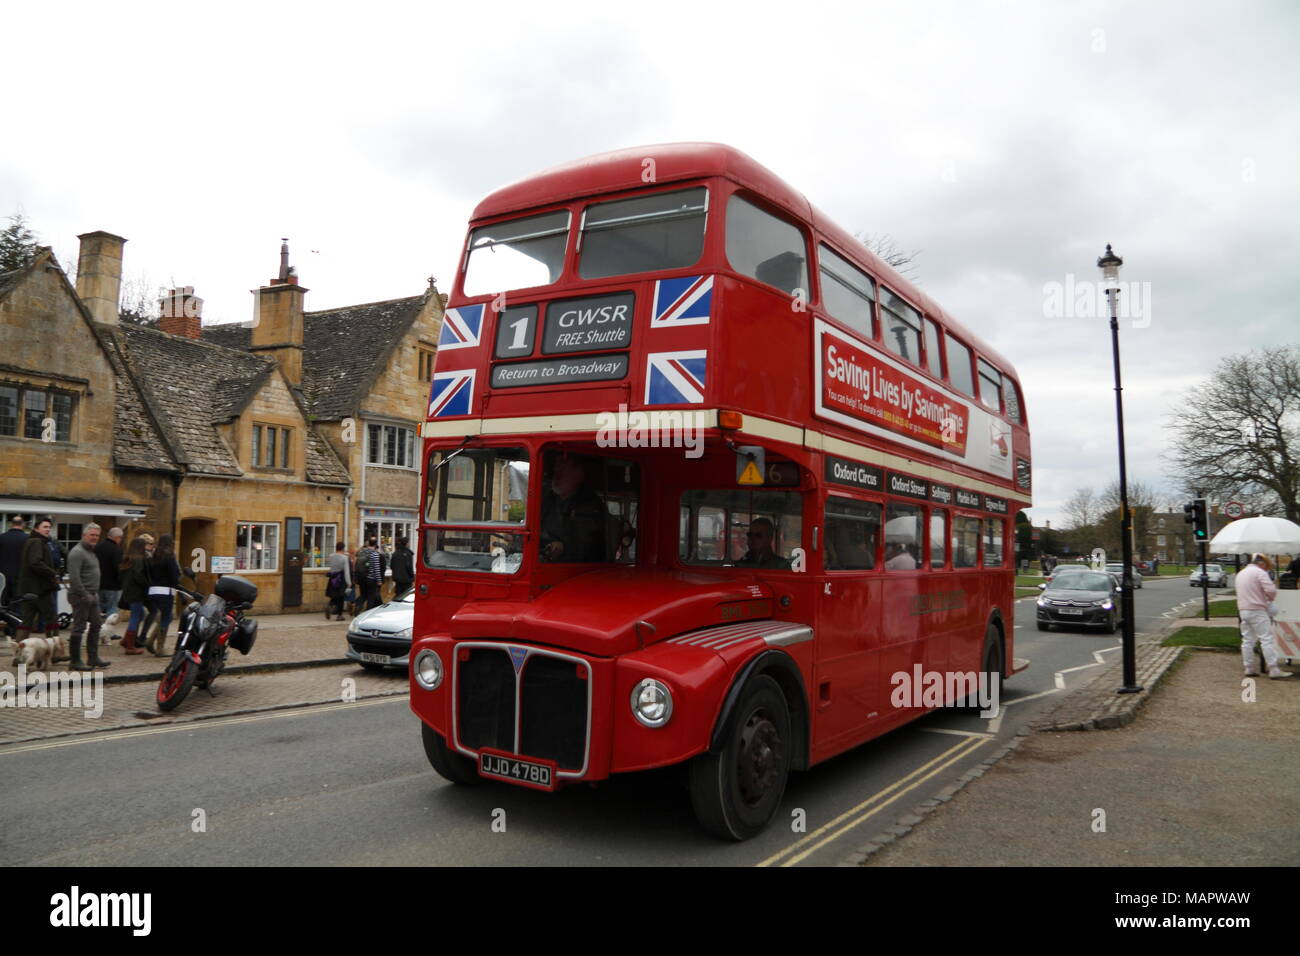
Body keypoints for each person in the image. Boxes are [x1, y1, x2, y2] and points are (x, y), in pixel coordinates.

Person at [539, 455, 606, 562]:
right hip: (543, 560)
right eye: (556, 469)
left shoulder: (589, 503)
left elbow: (588, 541)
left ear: (579, 474)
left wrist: (564, 547)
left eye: (563, 470)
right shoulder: (546, 499)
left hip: (576, 568)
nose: (557, 474)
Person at [1237, 553, 1291, 680]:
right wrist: (1270, 599)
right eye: (1267, 565)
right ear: (1262, 563)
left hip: (1243, 610)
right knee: (1266, 639)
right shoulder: (1260, 573)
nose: (1267, 568)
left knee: (1247, 640)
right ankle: (1273, 668)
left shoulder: (1241, 573)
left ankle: (1248, 667)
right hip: (1257, 610)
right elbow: (1271, 590)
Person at [66, 524, 111, 670]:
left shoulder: (91, 552)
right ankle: (75, 661)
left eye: (97, 536)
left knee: (97, 625)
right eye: (92, 535)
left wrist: (93, 594)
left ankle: (92, 658)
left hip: (92, 595)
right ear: (84, 535)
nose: (95, 538)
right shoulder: (77, 552)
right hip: (80, 596)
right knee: (79, 627)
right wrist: (84, 594)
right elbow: (74, 577)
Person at [16, 517, 61, 643]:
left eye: (49, 527)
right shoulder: (37, 542)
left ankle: (20, 660)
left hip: (28, 589)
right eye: (45, 527)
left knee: (27, 621)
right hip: (40, 589)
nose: (48, 529)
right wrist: (52, 573)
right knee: (51, 619)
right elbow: (35, 563)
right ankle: (55, 653)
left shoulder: (32, 540)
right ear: (36, 528)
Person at [141, 534, 182, 657]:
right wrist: (177, 585)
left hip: (153, 590)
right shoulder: (169, 556)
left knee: (165, 618)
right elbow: (174, 575)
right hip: (165, 591)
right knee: (165, 618)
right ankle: (160, 648)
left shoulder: (154, 556)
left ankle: (150, 641)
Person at [118, 535, 152, 655]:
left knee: (139, 614)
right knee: (135, 616)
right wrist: (147, 584)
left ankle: (126, 640)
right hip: (136, 592)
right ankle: (130, 646)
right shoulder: (138, 559)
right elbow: (138, 575)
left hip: (128, 591)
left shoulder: (127, 558)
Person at [0, 515, 28, 638]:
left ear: (11, 524)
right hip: (20, 577)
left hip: (3, 577)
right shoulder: (26, 539)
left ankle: (6, 629)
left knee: (4, 606)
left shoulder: (2, 538)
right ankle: (15, 631)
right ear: (22, 525)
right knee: (17, 606)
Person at [95, 526, 124, 640]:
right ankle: (109, 633)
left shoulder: (98, 547)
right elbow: (118, 567)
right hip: (113, 585)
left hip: (98, 583)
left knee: (97, 609)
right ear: (117, 537)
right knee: (112, 610)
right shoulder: (116, 549)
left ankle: (96, 630)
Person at [325, 542, 352, 621]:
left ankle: (330, 605)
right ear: (343, 548)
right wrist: (349, 582)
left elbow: (331, 568)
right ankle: (339, 615)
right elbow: (346, 571)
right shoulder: (344, 558)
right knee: (341, 596)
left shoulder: (331, 556)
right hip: (341, 578)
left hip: (333, 577)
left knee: (334, 594)